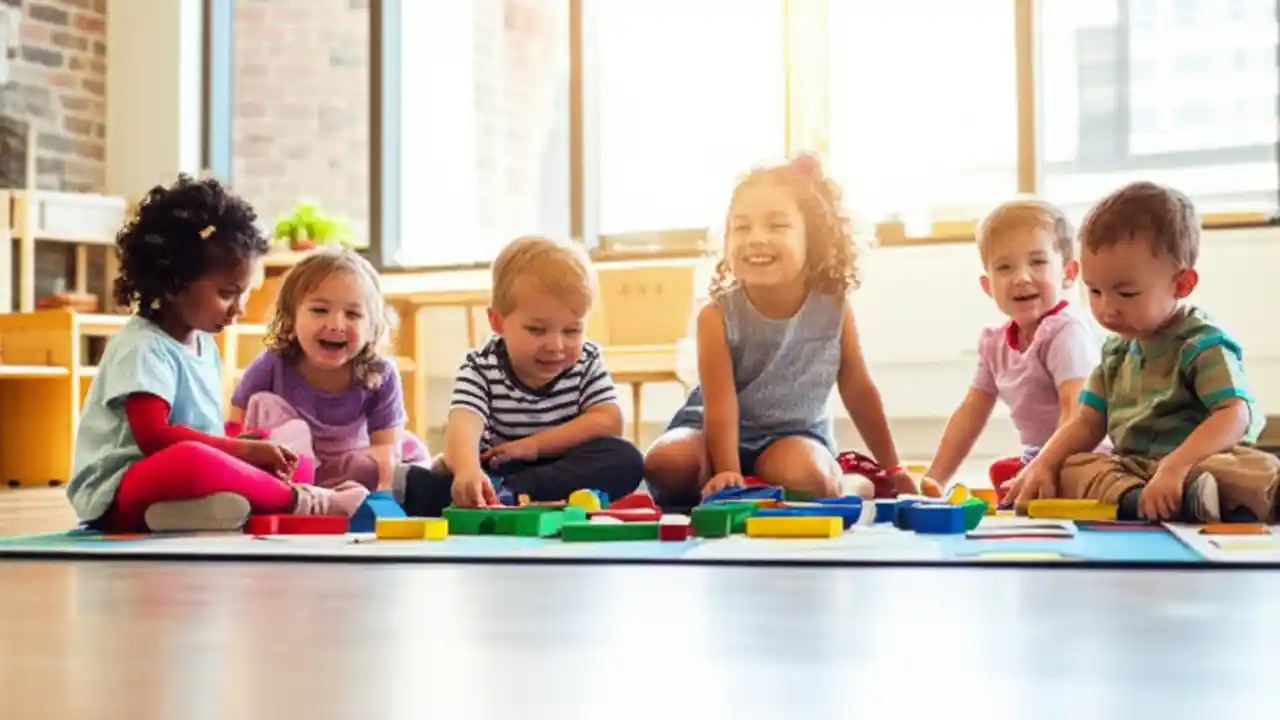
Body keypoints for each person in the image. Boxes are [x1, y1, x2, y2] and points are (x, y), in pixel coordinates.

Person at [67, 175, 366, 533]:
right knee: (192, 460)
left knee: (292, 460)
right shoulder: (142, 346)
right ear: (173, 282)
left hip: (169, 490)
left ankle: (202, 514)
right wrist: (239, 452)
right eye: (227, 294)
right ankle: (300, 502)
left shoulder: (204, 344)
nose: (238, 309)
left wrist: (243, 444)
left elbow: (200, 427)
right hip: (119, 492)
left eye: (244, 295)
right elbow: (154, 439)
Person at [643, 153, 916, 507]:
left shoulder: (834, 308)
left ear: (813, 239)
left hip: (792, 436)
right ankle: (737, 480)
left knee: (810, 480)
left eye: (776, 225)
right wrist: (726, 470)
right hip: (712, 431)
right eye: (742, 227)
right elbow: (720, 403)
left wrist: (893, 467)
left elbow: (859, 390)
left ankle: (850, 481)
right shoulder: (715, 314)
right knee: (665, 465)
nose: (756, 238)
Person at [1005, 181, 1279, 522]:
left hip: (1198, 460)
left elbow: (1233, 415)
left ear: (1181, 284)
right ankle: (1141, 502)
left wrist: (1175, 467)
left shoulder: (1201, 343)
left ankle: (1199, 495)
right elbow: (1088, 422)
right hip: (1133, 468)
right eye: (1094, 291)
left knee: (1254, 471)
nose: (1107, 310)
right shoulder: (1114, 353)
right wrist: (1044, 463)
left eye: (1127, 293)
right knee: (1071, 468)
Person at [394, 235, 643, 515]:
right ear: (497, 322)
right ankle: (479, 492)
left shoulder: (586, 361)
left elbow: (608, 420)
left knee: (626, 459)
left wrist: (533, 446)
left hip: (561, 470)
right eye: (537, 330)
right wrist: (468, 471)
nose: (556, 346)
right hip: (496, 468)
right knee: (447, 474)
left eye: (571, 331)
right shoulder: (481, 366)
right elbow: (463, 423)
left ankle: (508, 495)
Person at [922, 200, 1101, 501]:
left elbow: (1076, 411)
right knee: (1003, 475)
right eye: (1005, 267)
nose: (1021, 277)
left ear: (1068, 273)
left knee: (1073, 478)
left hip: (1084, 454)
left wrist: (1047, 466)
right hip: (1039, 456)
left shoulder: (1065, 332)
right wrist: (935, 479)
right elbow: (970, 414)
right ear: (987, 285)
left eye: (1038, 262)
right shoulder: (995, 344)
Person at [230, 247, 428, 494]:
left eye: (353, 314)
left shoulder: (380, 373)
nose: (336, 325)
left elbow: (385, 449)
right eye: (320, 310)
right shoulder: (273, 363)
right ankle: (298, 494)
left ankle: (338, 497)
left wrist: (385, 495)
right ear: (291, 318)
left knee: (405, 457)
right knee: (264, 403)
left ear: (372, 327)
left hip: (349, 467)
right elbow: (235, 426)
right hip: (287, 466)